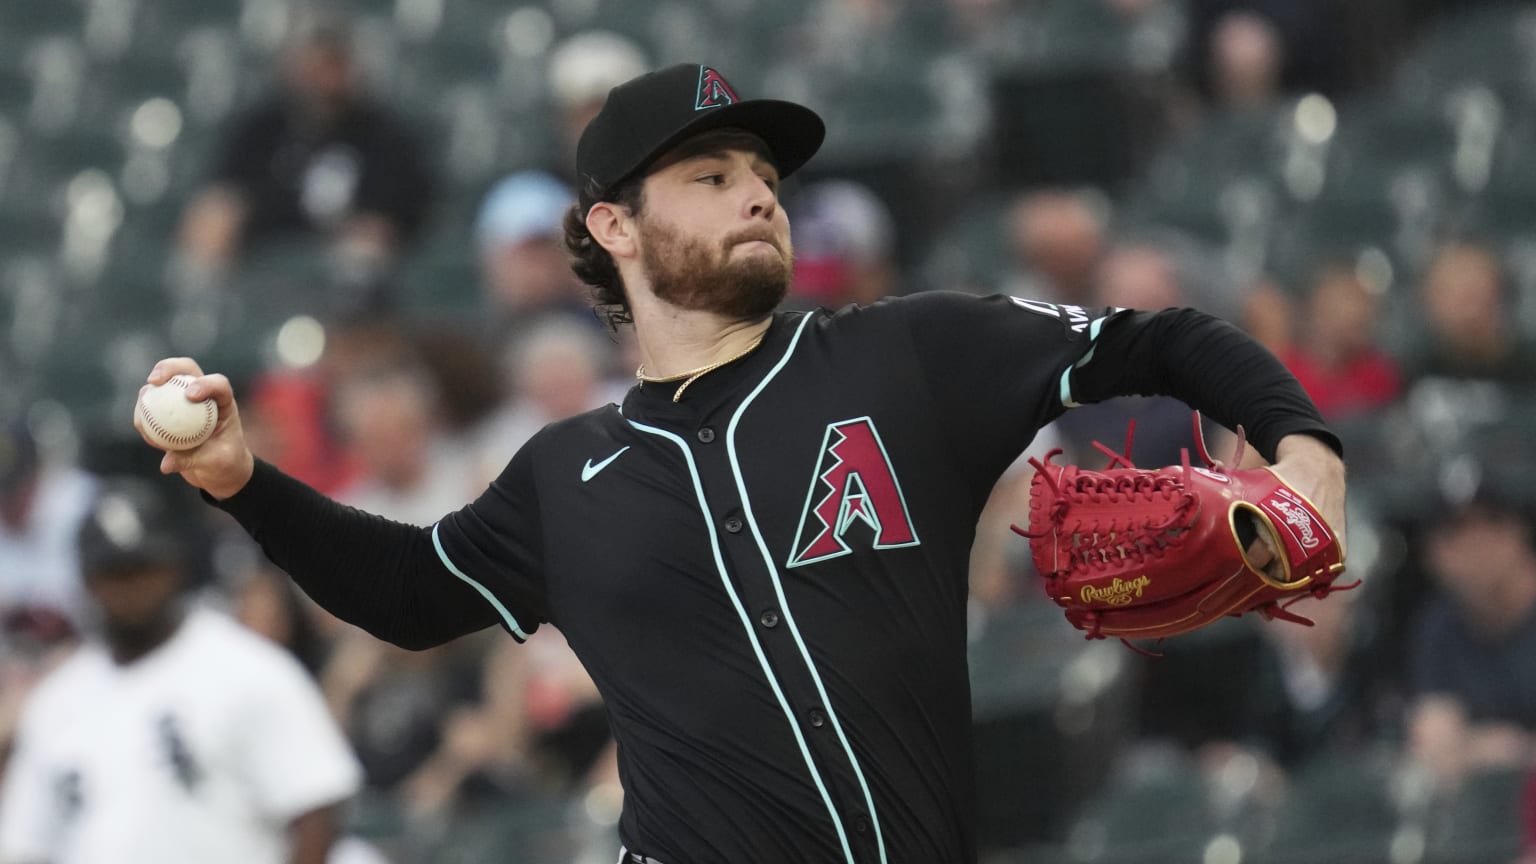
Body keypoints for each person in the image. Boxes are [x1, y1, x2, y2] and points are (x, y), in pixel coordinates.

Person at [136, 63, 1347, 863]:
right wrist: (246, 480)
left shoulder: (905, 355)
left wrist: (1308, 457)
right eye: (712, 177)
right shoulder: (564, 476)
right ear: (615, 224)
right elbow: (406, 593)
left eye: (766, 178)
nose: (760, 197)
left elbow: (1165, 339)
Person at [0, 479, 362, 863]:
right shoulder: (58, 699)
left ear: (176, 566)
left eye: (144, 569)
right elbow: (27, 846)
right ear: (88, 582)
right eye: (115, 574)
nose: (132, 588)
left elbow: (315, 811)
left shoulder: (250, 668)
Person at [175, 14, 434, 281]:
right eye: (314, 62)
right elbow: (227, 194)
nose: (323, 77)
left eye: (333, 62)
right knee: (212, 221)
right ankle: (202, 315)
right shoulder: (262, 130)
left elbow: (388, 219)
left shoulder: (384, 137)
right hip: (267, 248)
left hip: (346, 266)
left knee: (363, 249)